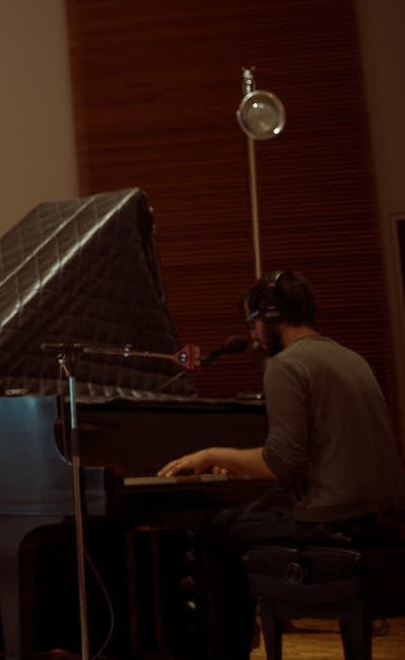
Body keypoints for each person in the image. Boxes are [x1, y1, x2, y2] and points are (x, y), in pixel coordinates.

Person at [158, 270, 405, 659]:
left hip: (331, 519)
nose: (253, 335)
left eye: (252, 322)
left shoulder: (286, 365)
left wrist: (213, 455)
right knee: (247, 518)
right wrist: (245, 465)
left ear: (271, 316)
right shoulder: (351, 357)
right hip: (380, 517)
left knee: (213, 530)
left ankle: (221, 652)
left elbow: (282, 463)